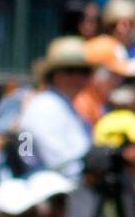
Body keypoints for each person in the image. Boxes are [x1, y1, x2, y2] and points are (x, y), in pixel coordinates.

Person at [17, 37, 95, 181]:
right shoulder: (44, 106)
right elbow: (60, 164)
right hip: (51, 191)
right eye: (70, 71)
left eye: (84, 71)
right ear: (55, 74)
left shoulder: (67, 107)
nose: (78, 78)